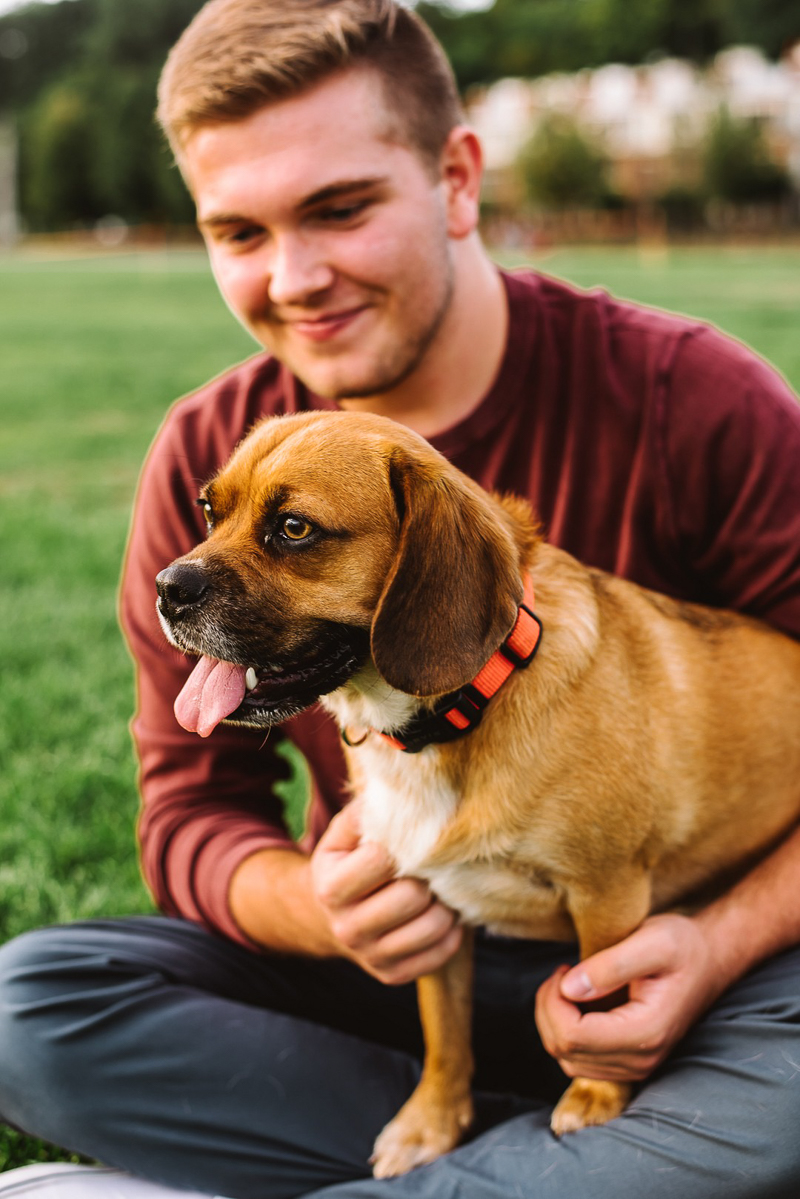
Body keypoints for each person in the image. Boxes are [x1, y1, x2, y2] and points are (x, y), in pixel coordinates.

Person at [1, 1, 800, 1197]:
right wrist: (326, 910)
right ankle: (549, 1164)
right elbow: (186, 809)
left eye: (339, 208)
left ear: (456, 179)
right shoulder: (211, 447)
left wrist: (711, 945)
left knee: (778, 1107)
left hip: (706, 950)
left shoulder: (691, 396)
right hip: (414, 956)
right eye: (236, 229)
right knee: (30, 1005)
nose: (294, 276)